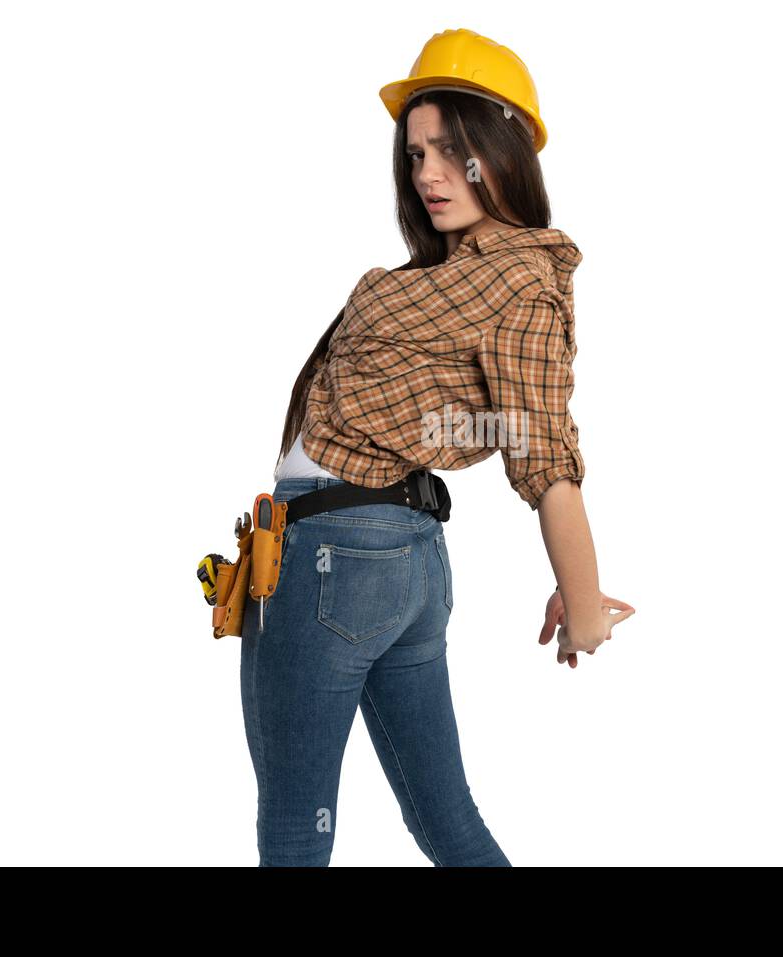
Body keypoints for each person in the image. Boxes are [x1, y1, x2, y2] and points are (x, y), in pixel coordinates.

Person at [240, 28, 635, 867]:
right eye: (416, 152)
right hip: (400, 563)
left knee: (293, 830)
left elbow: (546, 458)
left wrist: (585, 598)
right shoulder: (466, 278)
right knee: (446, 823)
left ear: (501, 151)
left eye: (453, 150)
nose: (427, 173)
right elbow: (516, 430)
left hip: (337, 560)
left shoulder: (521, 280)